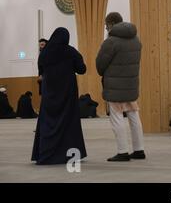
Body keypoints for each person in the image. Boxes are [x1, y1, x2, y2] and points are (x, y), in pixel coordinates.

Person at [31, 28, 87, 165]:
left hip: (49, 93)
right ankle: (69, 153)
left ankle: (45, 153)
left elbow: (41, 69)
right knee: (69, 122)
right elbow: (82, 69)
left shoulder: (44, 53)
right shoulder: (70, 51)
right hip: (67, 93)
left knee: (48, 121)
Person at [96, 12, 145, 162]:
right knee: (134, 116)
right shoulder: (136, 40)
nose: (105, 28)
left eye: (106, 25)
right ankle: (139, 149)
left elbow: (100, 65)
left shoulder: (111, 42)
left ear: (111, 24)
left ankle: (122, 151)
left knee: (116, 117)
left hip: (115, 86)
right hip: (131, 84)